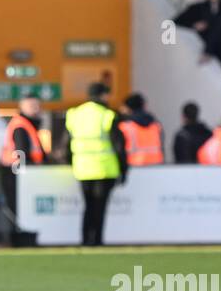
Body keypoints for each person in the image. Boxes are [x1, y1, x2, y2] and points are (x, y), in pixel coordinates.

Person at [65, 82, 127, 246]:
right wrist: (124, 169)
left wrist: (69, 162)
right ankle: (97, 240)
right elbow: (119, 145)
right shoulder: (107, 115)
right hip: (104, 169)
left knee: (88, 206)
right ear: (103, 95)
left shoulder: (75, 114)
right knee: (100, 207)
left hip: (82, 169)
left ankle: (86, 240)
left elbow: (66, 143)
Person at [117, 92, 163, 166]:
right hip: (155, 166)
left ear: (128, 108)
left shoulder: (125, 127)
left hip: (133, 167)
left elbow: (120, 150)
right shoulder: (156, 125)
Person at [1, 96, 46, 167]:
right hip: (21, 171)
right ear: (22, 107)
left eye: (38, 105)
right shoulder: (20, 126)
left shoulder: (29, 125)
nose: (36, 108)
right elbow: (22, 153)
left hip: (25, 170)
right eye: (31, 106)